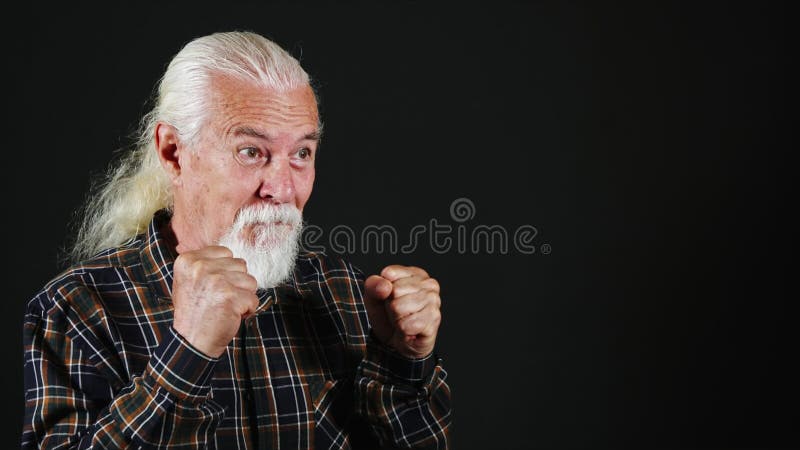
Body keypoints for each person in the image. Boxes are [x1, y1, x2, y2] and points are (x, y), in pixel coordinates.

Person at [22, 31, 451, 449]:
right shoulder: (77, 308)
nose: (282, 189)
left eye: (301, 153)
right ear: (173, 152)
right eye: (251, 151)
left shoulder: (347, 294)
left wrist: (403, 362)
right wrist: (187, 353)